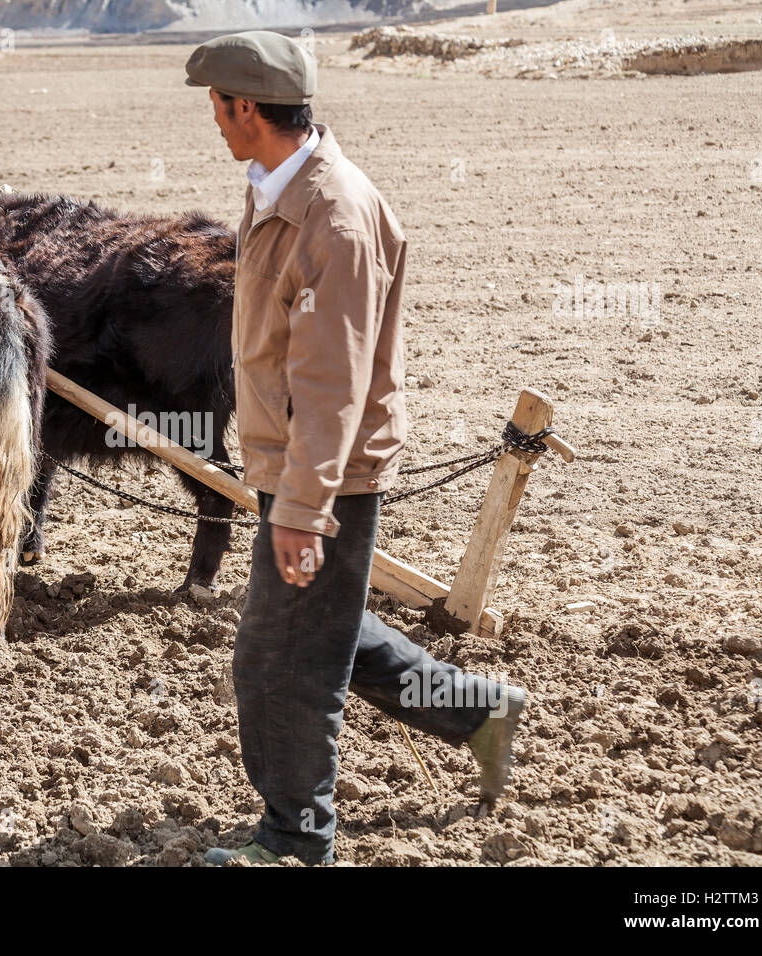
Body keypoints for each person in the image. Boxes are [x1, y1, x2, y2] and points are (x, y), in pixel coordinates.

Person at [186, 31, 527, 866]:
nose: (213, 123)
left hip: (323, 474)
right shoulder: (280, 187)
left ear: (247, 108)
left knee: (278, 666)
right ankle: (477, 712)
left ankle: (296, 841)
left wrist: (303, 509)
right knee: (327, 630)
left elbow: (332, 382)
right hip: (298, 463)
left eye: (217, 107)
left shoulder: (330, 215)